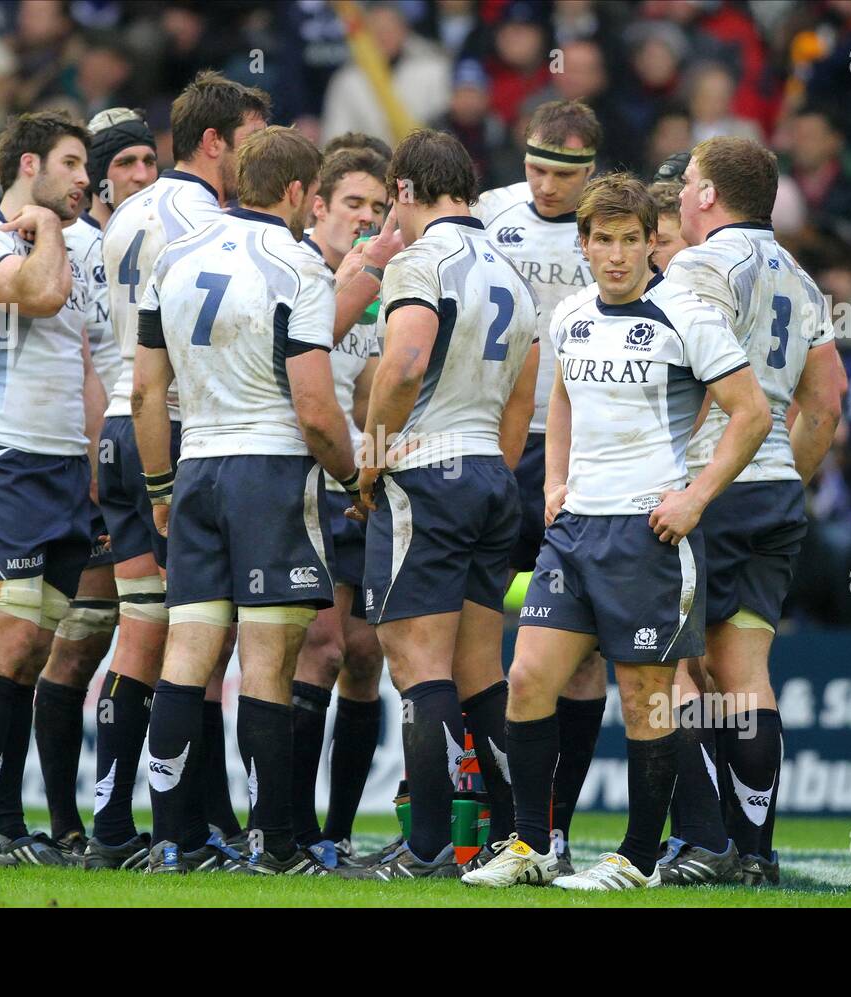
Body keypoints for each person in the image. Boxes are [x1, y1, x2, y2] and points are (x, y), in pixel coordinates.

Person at [462, 172, 769, 891]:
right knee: (530, 676)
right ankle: (531, 844)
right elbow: (562, 391)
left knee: (645, 698)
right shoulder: (568, 313)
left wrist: (696, 496)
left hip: (648, 534)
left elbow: (750, 412)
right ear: (585, 243)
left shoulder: (687, 314)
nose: (618, 254)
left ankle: (635, 858)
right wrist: (553, 481)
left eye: (632, 240)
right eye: (604, 240)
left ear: (651, 244)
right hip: (574, 530)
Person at [132, 125, 358, 876]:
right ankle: (273, 846)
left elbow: (143, 391)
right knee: (266, 664)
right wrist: (353, 477)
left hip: (195, 466)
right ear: (299, 193)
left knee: (186, 656)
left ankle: (172, 841)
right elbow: (317, 410)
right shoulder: (299, 264)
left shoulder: (174, 256)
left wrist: (161, 487)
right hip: (270, 471)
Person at [342, 128, 540, 881]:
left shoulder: (420, 260)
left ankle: (425, 849)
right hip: (491, 472)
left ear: (403, 191)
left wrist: (371, 456)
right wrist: (496, 469)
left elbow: (404, 361)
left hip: (427, 469)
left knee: (415, 661)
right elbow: (524, 397)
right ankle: (518, 837)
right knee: (480, 668)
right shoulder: (511, 272)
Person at [90, 74, 270, 870]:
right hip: (181, 432)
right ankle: (184, 829)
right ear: (214, 143)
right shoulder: (210, 223)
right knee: (201, 636)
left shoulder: (131, 209)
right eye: (251, 140)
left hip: (125, 426)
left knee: (147, 628)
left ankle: (120, 823)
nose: (259, 157)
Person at [658, 136, 846, 885]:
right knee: (745, 676)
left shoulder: (701, 265)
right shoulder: (799, 276)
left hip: (707, 485)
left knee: (665, 672)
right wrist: (781, 480)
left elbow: (692, 378)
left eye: (687, 184)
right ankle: (755, 853)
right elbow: (826, 404)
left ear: (706, 193)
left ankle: (703, 845)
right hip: (772, 493)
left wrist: (701, 481)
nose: (677, 195)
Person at [0, 110, 103, 868]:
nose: (85, 179)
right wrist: (43, 222)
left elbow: (90, 362)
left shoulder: (74, 246)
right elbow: (37, 296)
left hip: (68, 468)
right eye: (72, 163)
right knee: (7, 639)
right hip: (5, 463)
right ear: (29, 163)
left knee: (38, 649)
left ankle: (7, 822)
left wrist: (100, 471)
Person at [473, 98, 599, 872]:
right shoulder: (491, 214)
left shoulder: (617, 230)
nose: (546, 186)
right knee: (471, 633)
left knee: (581, 653)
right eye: (536, 168)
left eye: (564, 174)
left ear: (594, 172)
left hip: (585, 450)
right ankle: (486, 813)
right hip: (496, 439)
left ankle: (554, 826)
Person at [290, 146, 391, 868]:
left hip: (354, 484)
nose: (366, 218)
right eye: (354, 203)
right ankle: (290, 827)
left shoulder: (377, 290)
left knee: (364, 656)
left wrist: (373, 467)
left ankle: (337, 831)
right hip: (296, 481)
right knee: (320, 648)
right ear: (317, 204)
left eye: (379, 209)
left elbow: (364, 392)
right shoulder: (294, 271)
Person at [29, 133, 127, 863]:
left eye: (147, 161)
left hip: (168, 456)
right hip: (96, 467)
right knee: (77, 645)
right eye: (121, 163)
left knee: (181, 643)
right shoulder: (76, 247)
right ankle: (69, 823)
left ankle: (131, 823)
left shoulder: (172, 238)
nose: (136, 175)